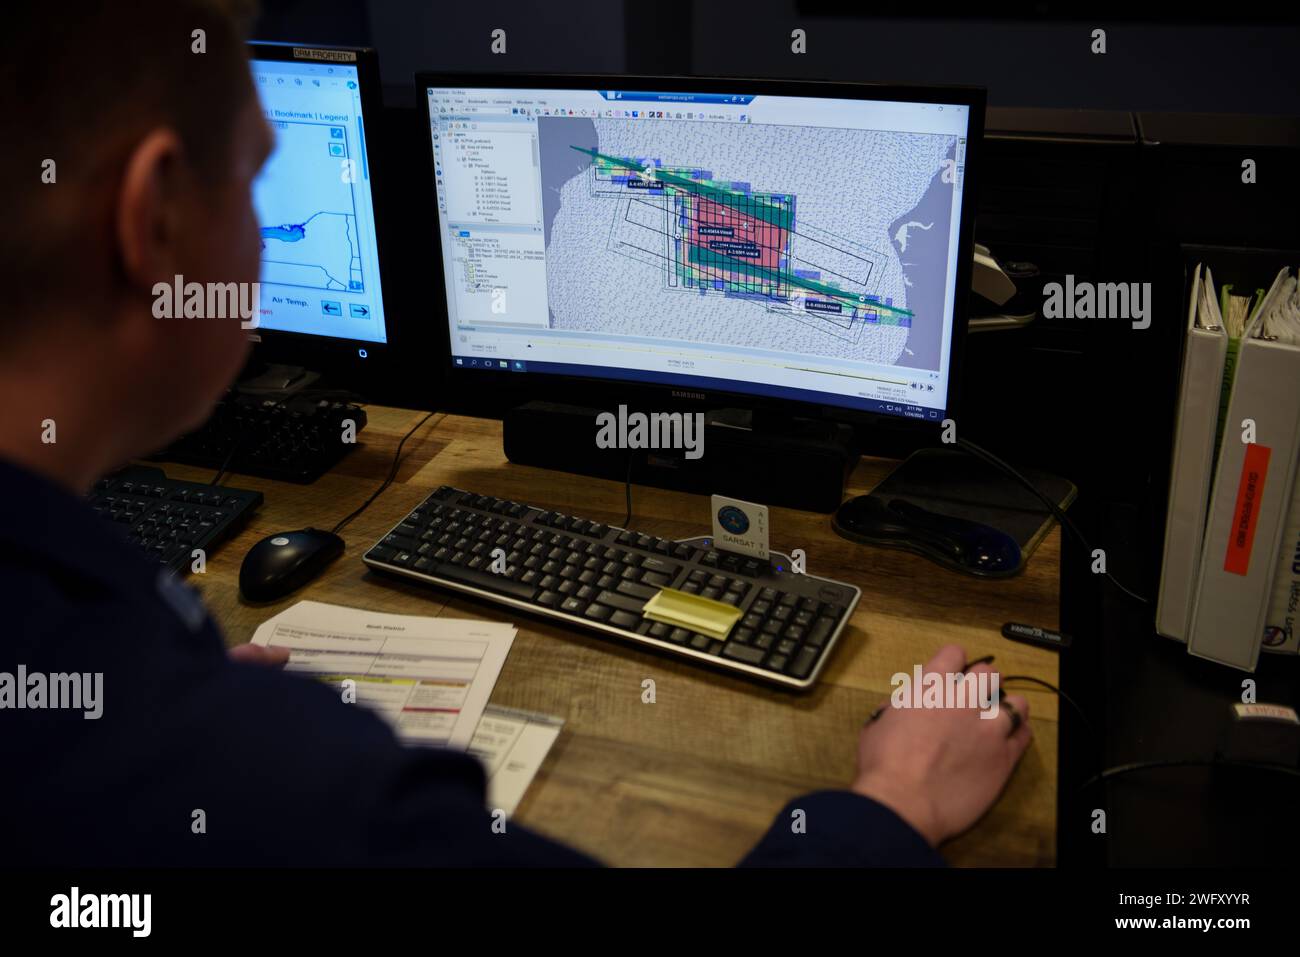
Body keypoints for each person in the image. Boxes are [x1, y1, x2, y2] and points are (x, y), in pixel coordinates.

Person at [0, 0, 1032, 866]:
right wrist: (893, 800)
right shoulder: (271, 785)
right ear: (155, 221)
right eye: (254, 181)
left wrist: (190, 696)